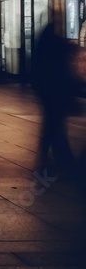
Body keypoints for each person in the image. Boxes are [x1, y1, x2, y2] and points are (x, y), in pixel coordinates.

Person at [30, 20, 83, 177]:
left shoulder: (48, 37)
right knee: (55, 125)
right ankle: (64, 161)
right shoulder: (57, 40)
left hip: (47, 88)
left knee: (52, 124)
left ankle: (54, 159)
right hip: (53, 89)